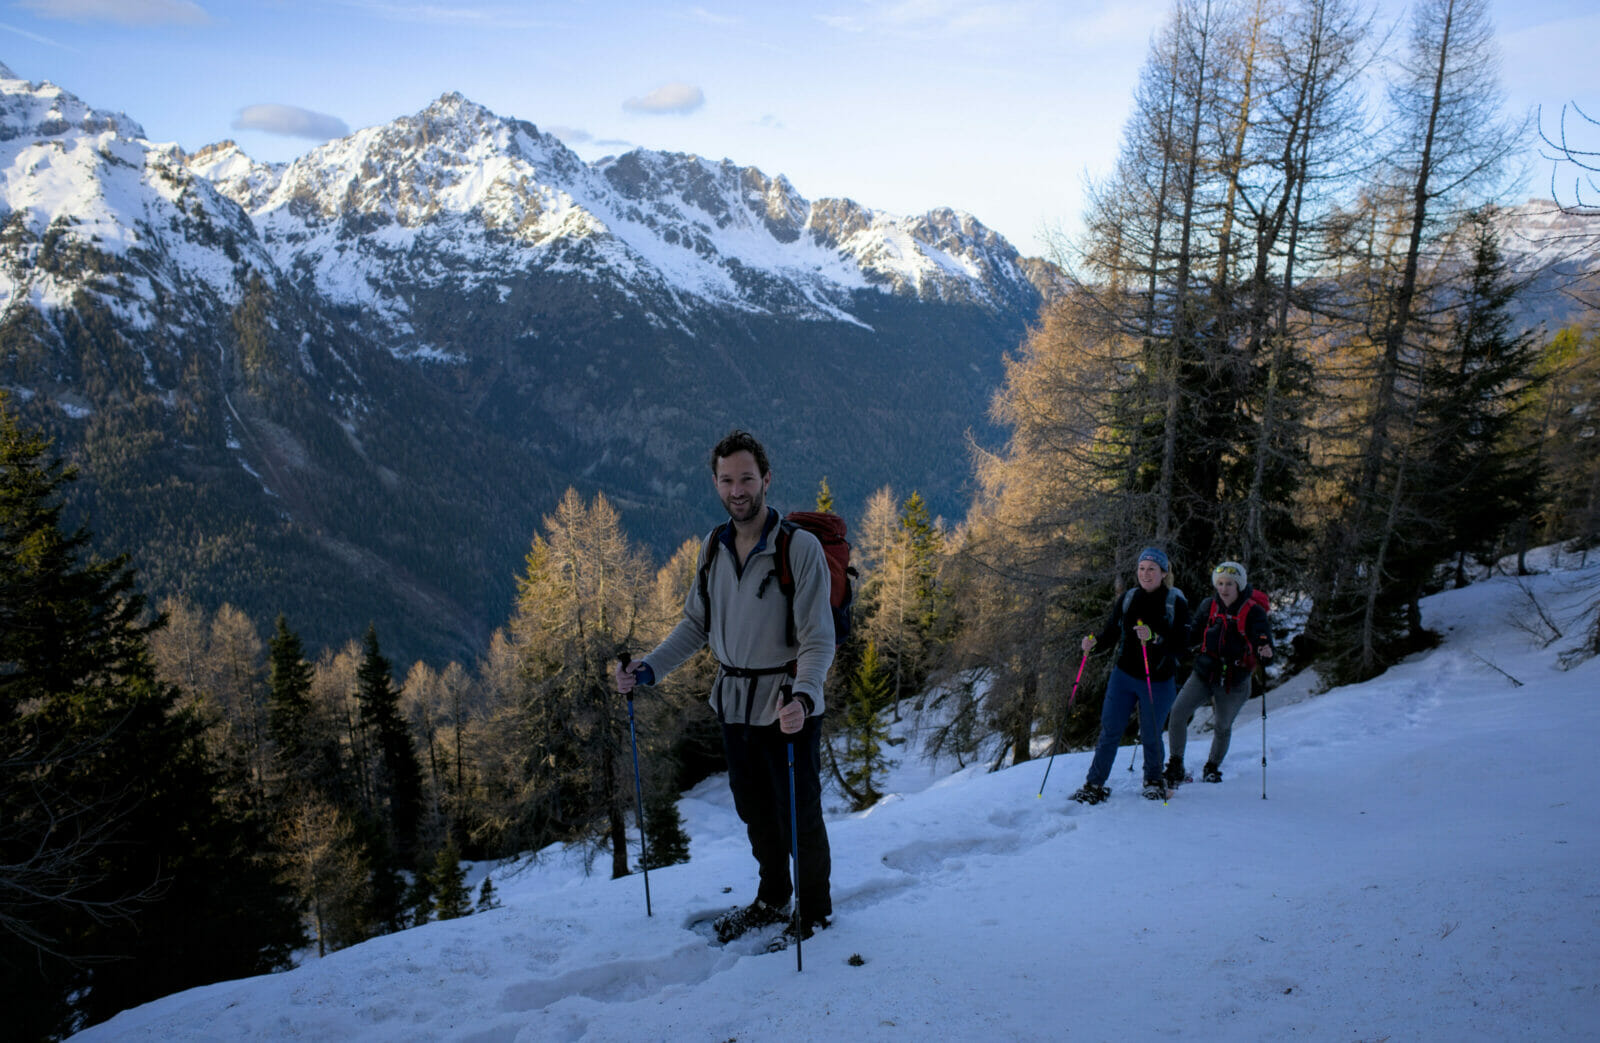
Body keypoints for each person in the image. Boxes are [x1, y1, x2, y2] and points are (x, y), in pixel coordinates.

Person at [615, 430, 835, 944]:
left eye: (747, 479)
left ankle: (816, 914)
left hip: (786, 704)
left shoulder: (797, 549)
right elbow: (696, 624)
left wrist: (803, 697)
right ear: (715, 483)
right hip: (734, 705)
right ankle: (774, 897)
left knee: (798, 815)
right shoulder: (713, 547)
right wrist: (650, 668)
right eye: (727, 480)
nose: (738, 490)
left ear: (766, 480)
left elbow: (818, 640)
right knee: (756, 813)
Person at [1070, 547, 1189, 804]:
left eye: (1152, 569)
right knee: (1110, 730)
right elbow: (1111, 632)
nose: (1146, 574)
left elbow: (1181, 646)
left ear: (1164, 573)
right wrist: (1094, 643)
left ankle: (1154, 780)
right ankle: (1094, 784)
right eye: (1142, 568)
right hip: (1123, 675)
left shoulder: (1175, 602)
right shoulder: (1128, 599)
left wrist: (1155, 638)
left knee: (1150, 733)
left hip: (1157, 679)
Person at [1164, 560, 1273, 786]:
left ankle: (1212, 767)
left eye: (1229, 584)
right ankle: (1176, 765)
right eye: (1220, 583)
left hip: (1235, 679)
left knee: (1222, 726)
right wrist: (1169, 644)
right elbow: (1192, 635)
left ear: (1239, 586)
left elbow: (1263, 638)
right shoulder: (1209, 605)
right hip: (1205, 671)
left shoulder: (1253, 612)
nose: (1223, 589)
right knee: (1177, 713)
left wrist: (1265, 650)